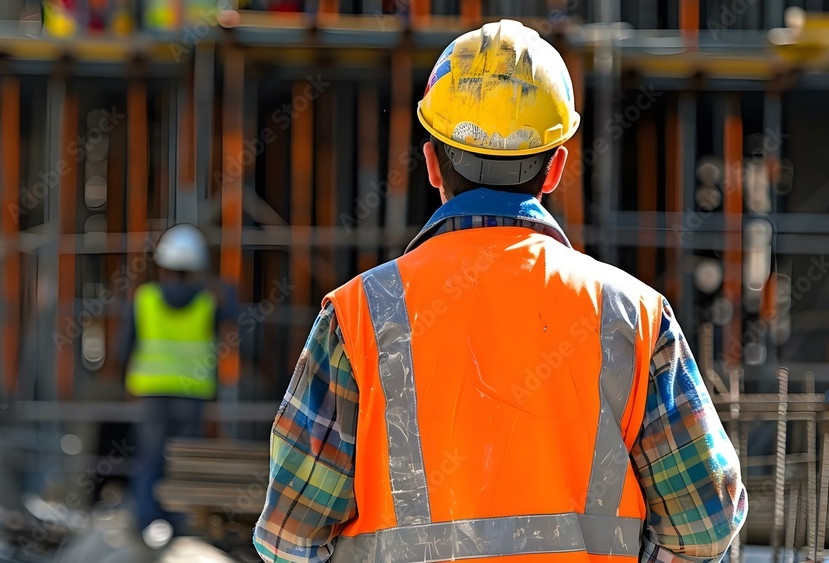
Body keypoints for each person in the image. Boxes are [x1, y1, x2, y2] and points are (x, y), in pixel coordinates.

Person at [254, 20, 747, 563]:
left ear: (431, 164)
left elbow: (292, 537)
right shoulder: (632, 313)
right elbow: (704, 525)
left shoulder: (360, 315)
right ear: (556, 167)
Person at [120, 224, 236, 537]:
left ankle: (148, 522)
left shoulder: (144, 298)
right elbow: (234, 327)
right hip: (192, 393)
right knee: (184, 462)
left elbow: (125, 346)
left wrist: (126, 382)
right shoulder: (209, 300)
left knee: (149, 458)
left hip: (151, 393)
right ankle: (181, 524)